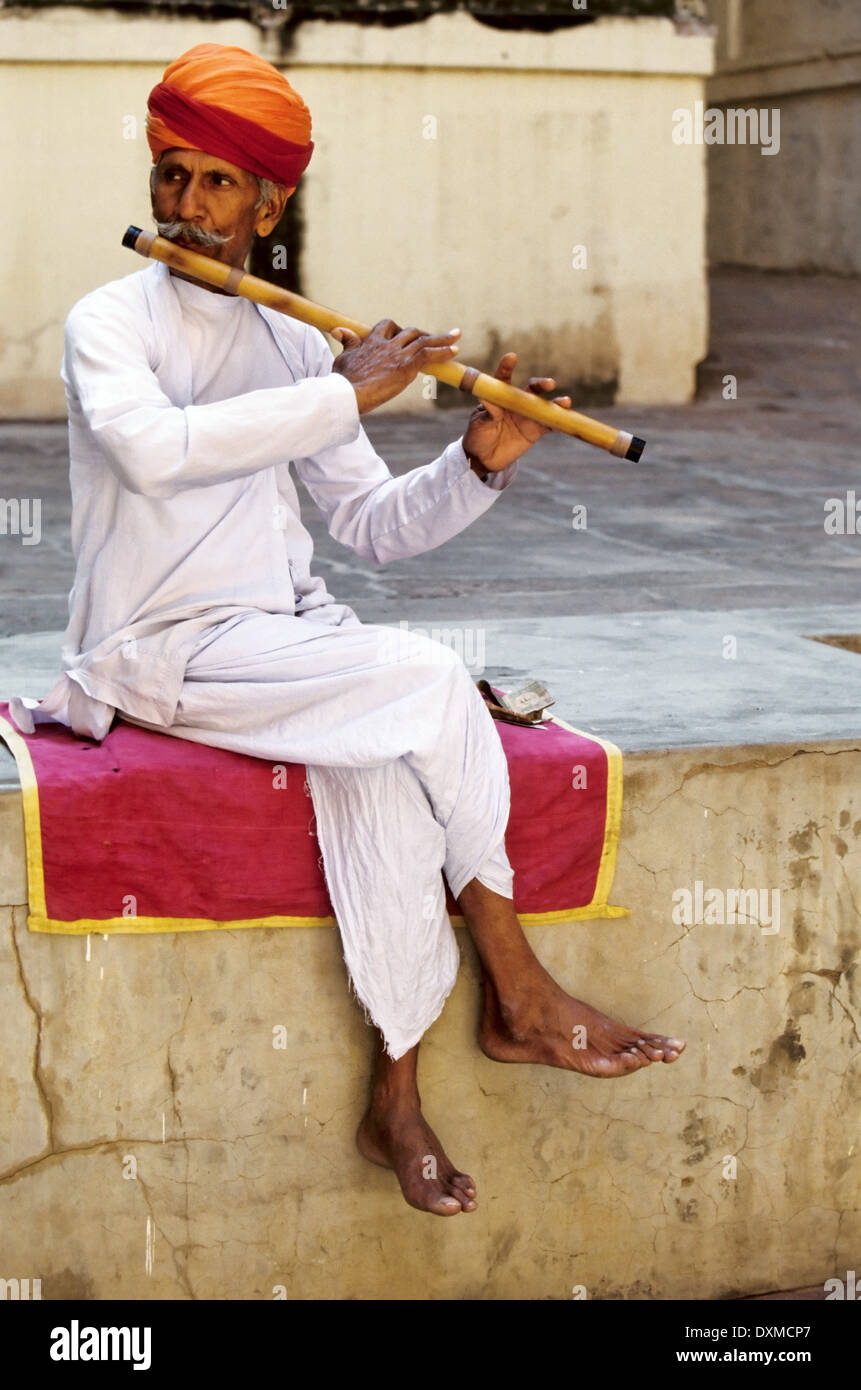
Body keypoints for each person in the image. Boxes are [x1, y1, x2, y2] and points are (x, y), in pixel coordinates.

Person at [17, 43, 685, 1217]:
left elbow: (371, 525)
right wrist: (347, 389)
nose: (189, 207)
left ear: (270, 205)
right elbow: (155, 452)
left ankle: (397, 1097)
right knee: (428, 682)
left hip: (279, 639)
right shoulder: (107, 324)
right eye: (174, 176)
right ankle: (519, 983)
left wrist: (475, 464)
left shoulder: (287, 345)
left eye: (221, 186)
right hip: (158, 647)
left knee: (382, 779)